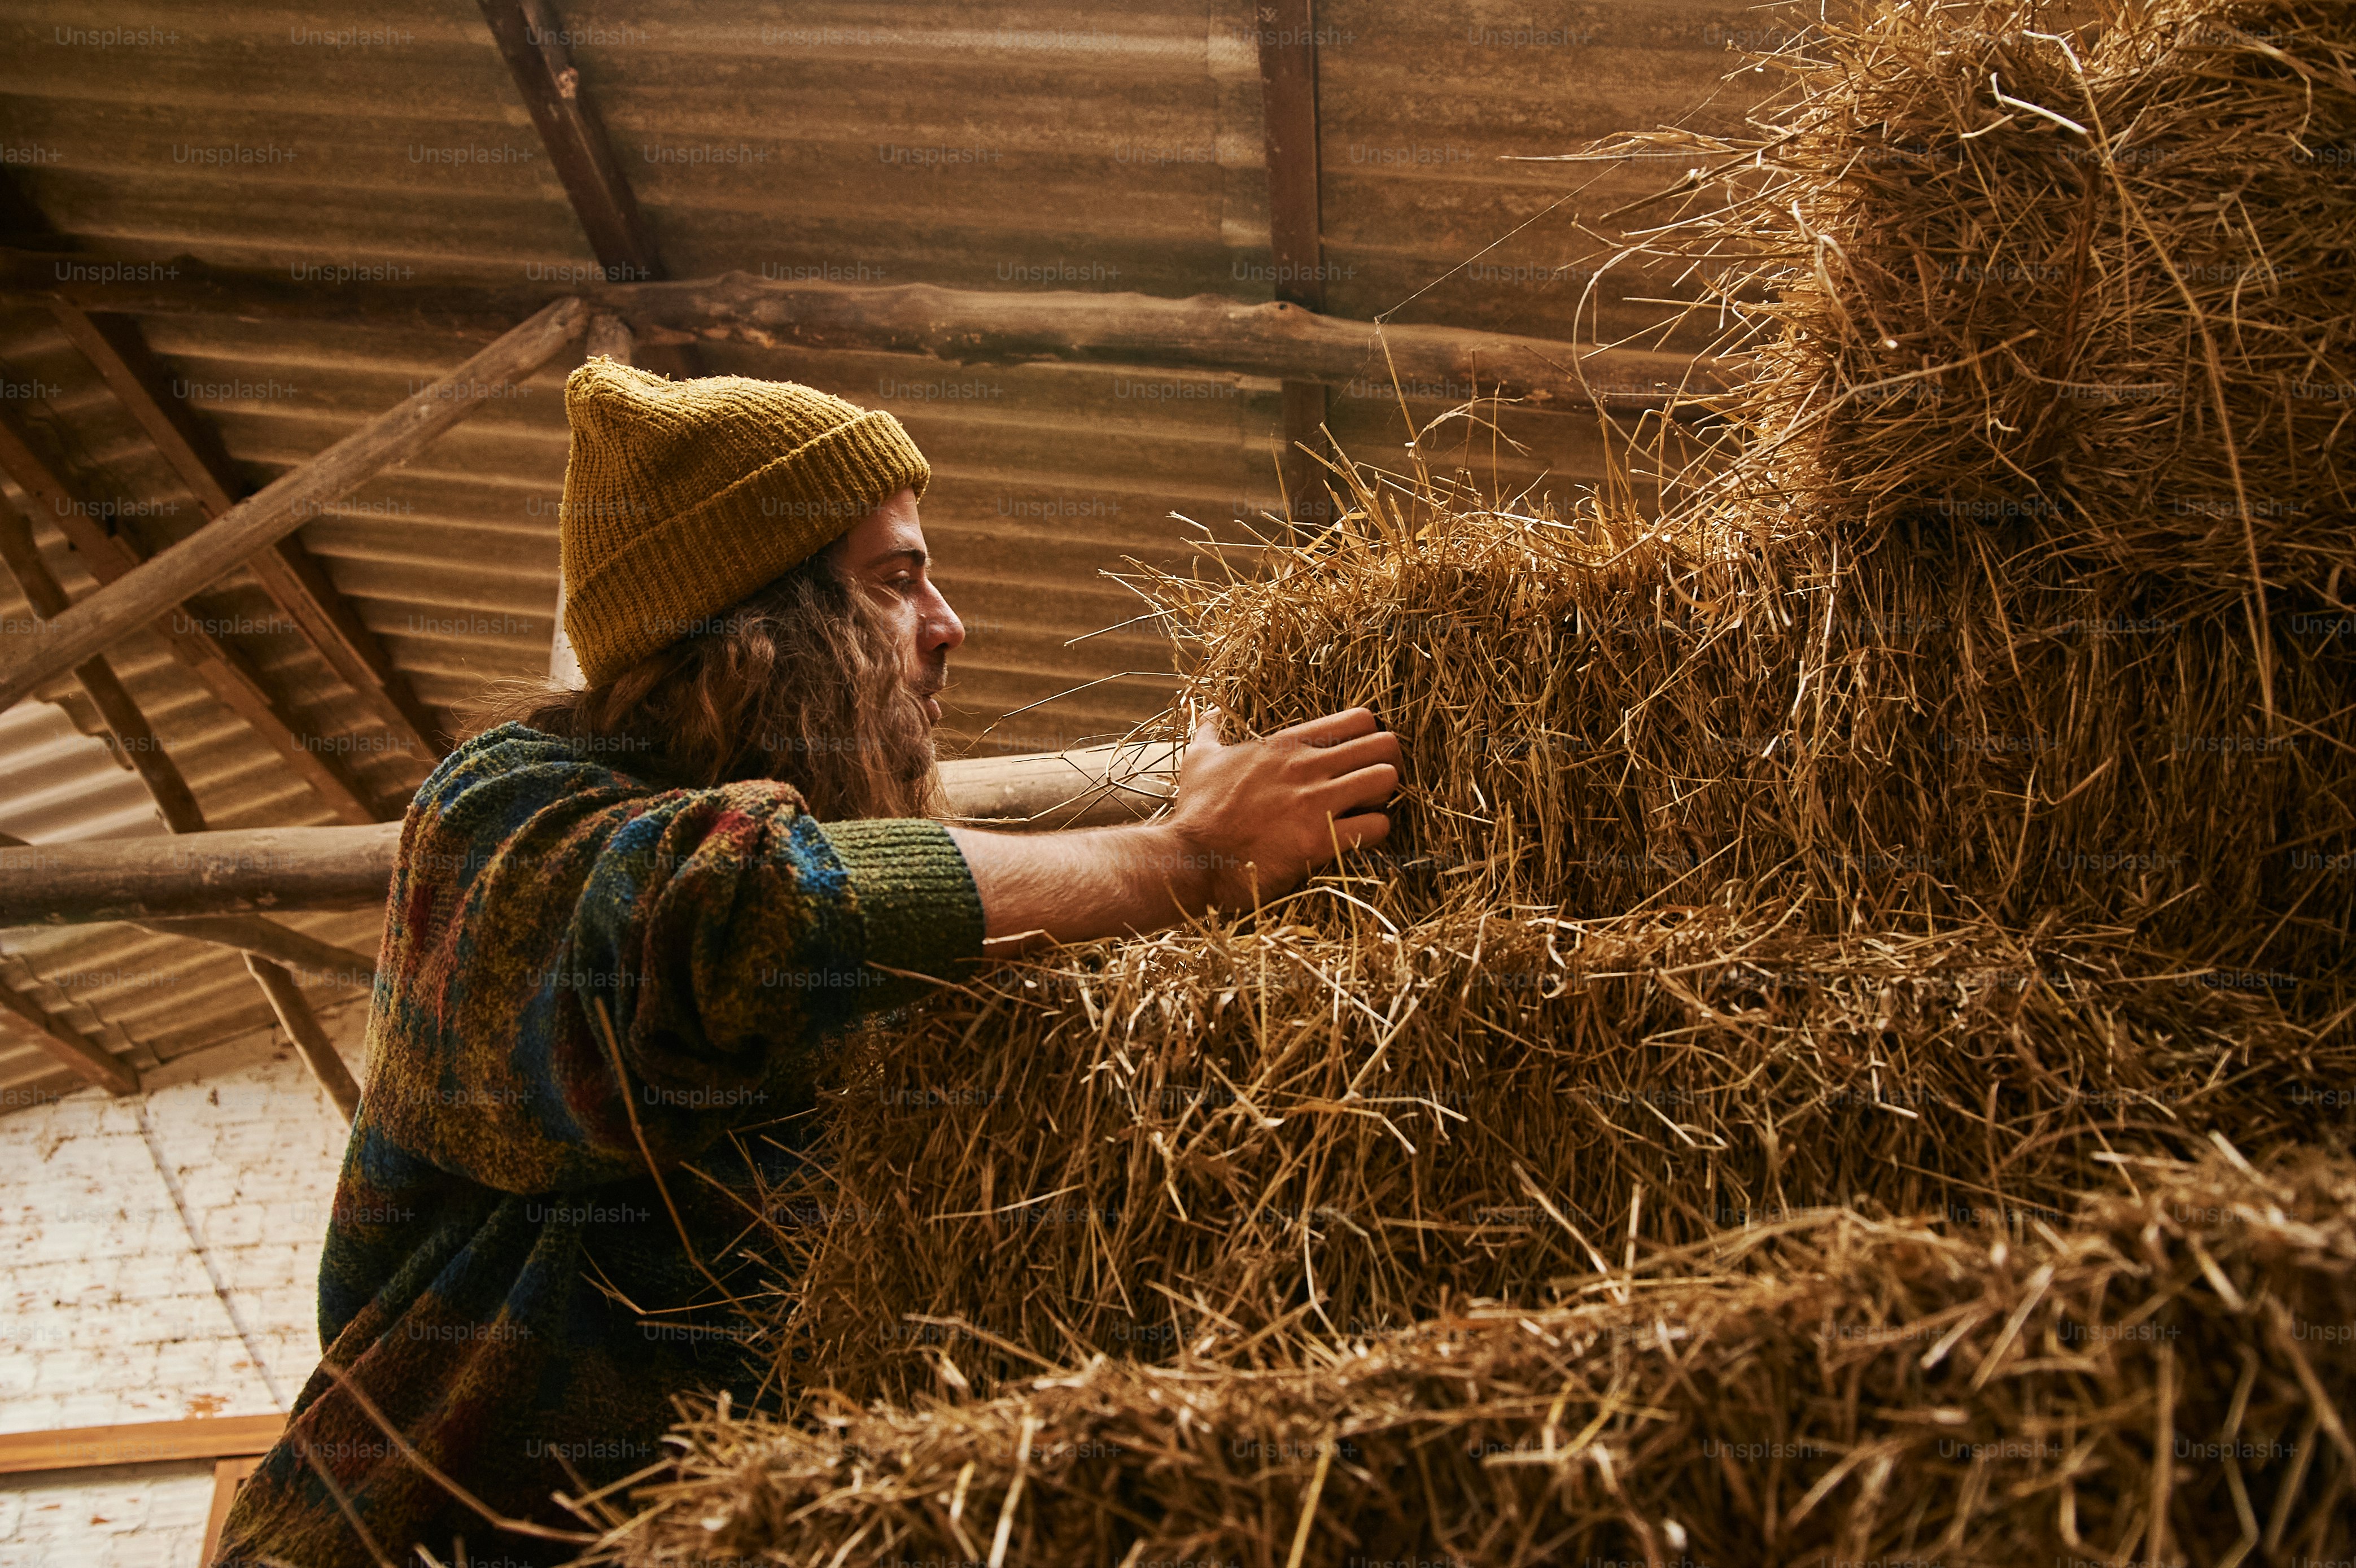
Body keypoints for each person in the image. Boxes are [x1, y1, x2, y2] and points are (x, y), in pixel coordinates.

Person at [212, 362, 1401, 1566]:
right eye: (895, 581)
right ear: (762, 632)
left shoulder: (868, 980)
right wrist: (1185, 860)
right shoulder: (502, 821)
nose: (949, 625)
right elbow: (736, 915)